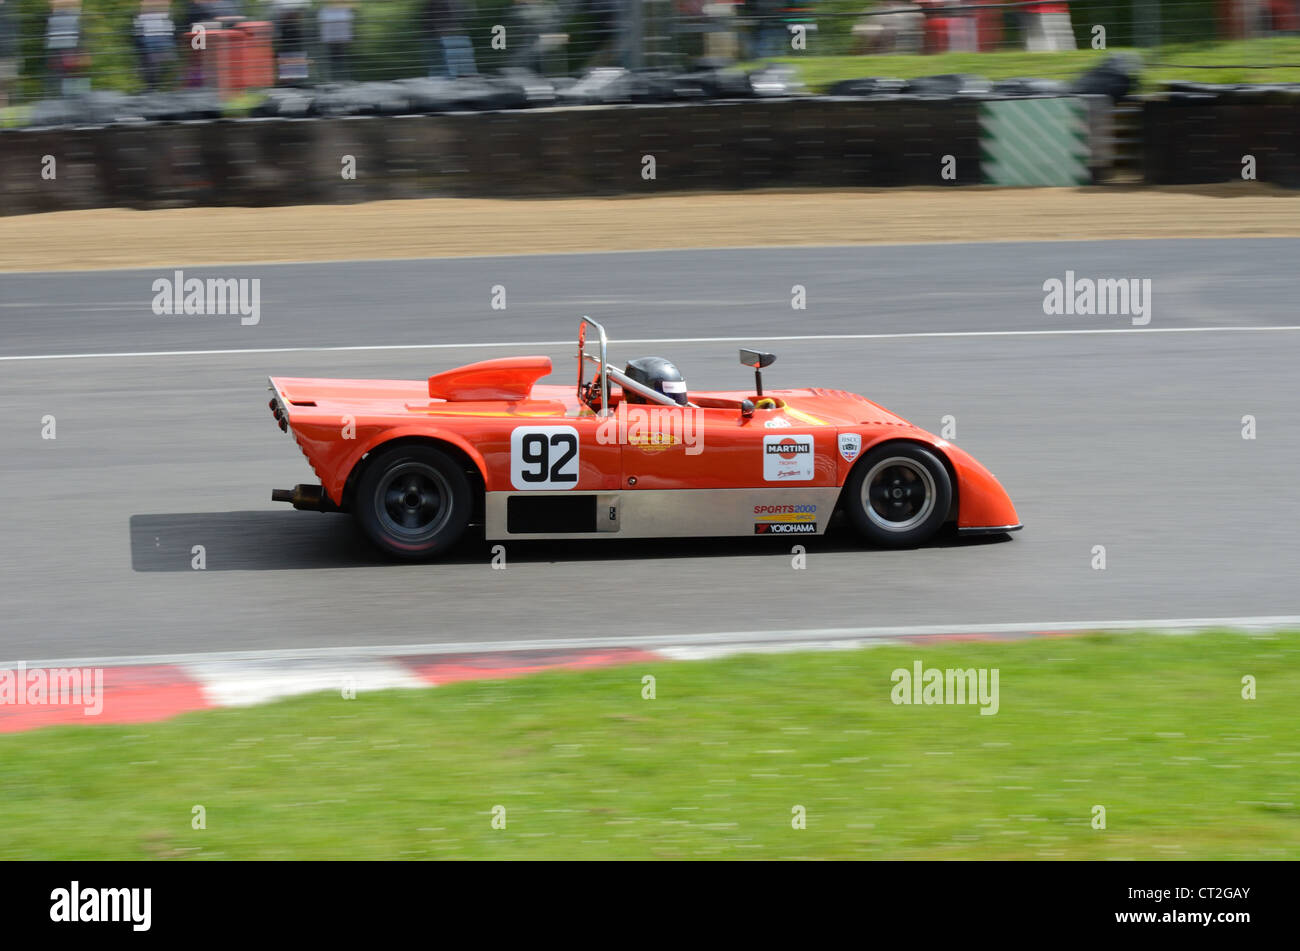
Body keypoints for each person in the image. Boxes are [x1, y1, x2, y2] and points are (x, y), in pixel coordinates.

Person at [424, 0, 478, 79]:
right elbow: (469, 13)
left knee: (449, 74)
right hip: (451, 38)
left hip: (450, 37)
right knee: (460, 74)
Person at [45, 0, 89, 97]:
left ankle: (69, 96)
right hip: (67, 46)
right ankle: (75, 95)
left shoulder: (56, 14)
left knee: (67, 73)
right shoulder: (71, 13)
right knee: (71, 72)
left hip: (63, 46)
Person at [134, 0, 177, 91]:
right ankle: (155, 87)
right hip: (154, 37)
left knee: (156, 64)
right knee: (155, 64)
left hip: (156, 37)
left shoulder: (147, 7)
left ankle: (155, 87)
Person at [318, 0, 355, 82]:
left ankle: (344, 79)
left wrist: (349, 38)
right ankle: (331, 80)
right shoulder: (325, 9)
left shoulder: (344, 9)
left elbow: (348, 24)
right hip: (330, 40)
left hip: (341, 39)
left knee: (342, 60)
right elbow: (322, 24)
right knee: (331, 61)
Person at [0, 0, 18, 108]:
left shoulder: (7, 8)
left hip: (5, 55)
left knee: (3, 87)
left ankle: (3, 110)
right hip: (7, 54)